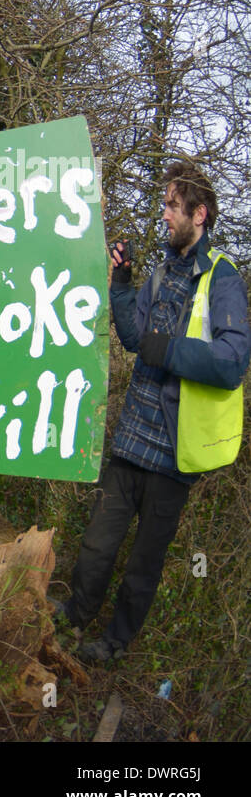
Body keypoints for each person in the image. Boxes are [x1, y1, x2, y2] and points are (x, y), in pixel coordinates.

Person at [56, 161, 250, 663]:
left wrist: (168, 351)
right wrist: (120, 285)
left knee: (144, 563)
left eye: (171, 205)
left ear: (198, 213)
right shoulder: (161, 270)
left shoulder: (223, 277)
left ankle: (115, 644)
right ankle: (74, 617)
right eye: (164, 204)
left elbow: (232, 363)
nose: (163, 214)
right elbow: (131, 337)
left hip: (175, 454)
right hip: (130, 442)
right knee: (98, 544)